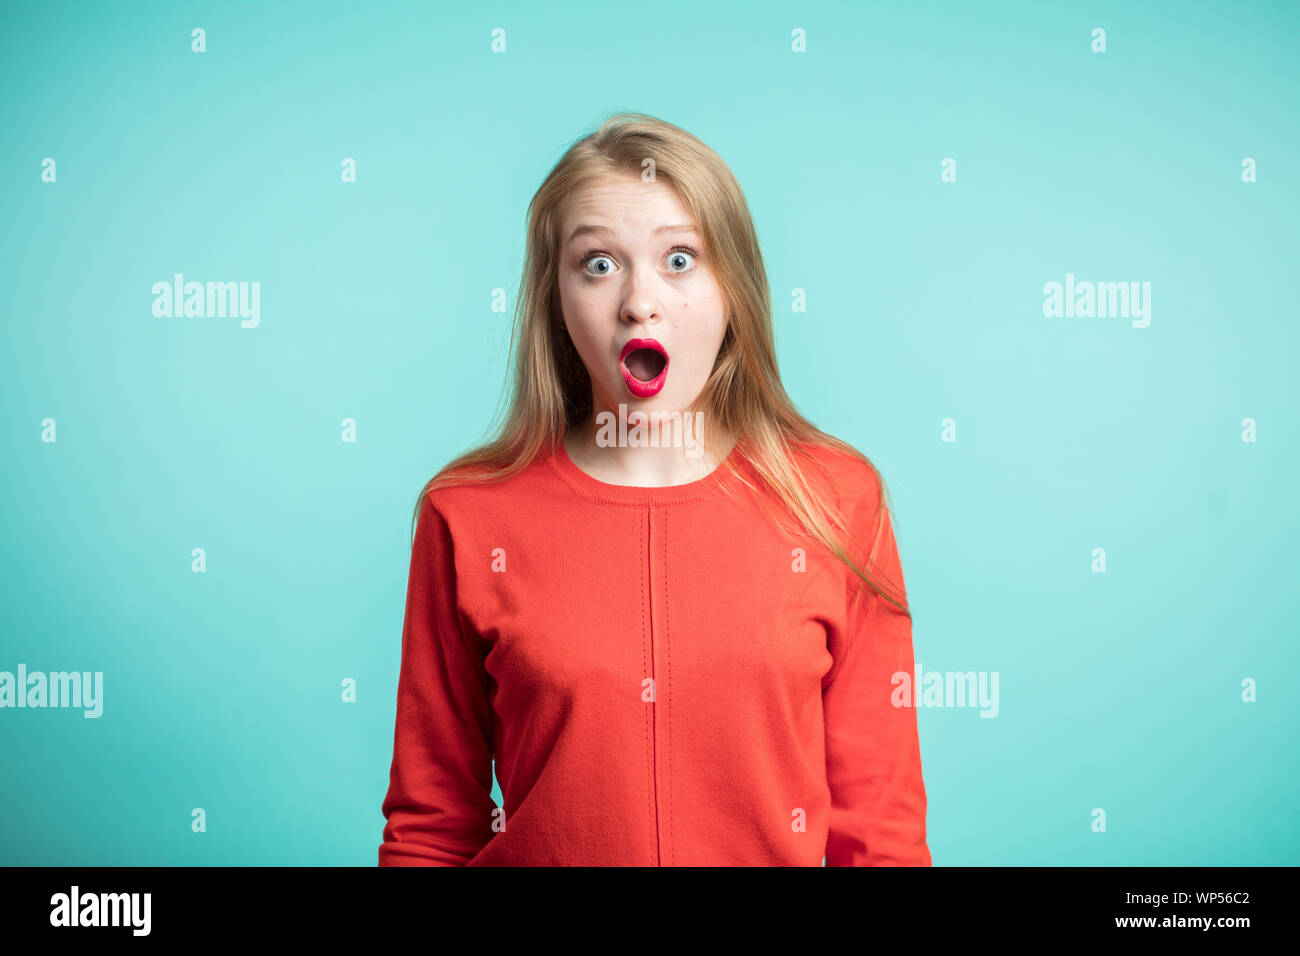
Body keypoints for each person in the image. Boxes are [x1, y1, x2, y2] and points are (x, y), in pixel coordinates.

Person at [378, 112, 932, 866]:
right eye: (598, 264)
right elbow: (431, 827)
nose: (640, 301)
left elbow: (881, 835)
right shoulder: (468, 512)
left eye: (679, 259)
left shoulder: (838, 500)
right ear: (555, 301)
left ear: (732, 286)